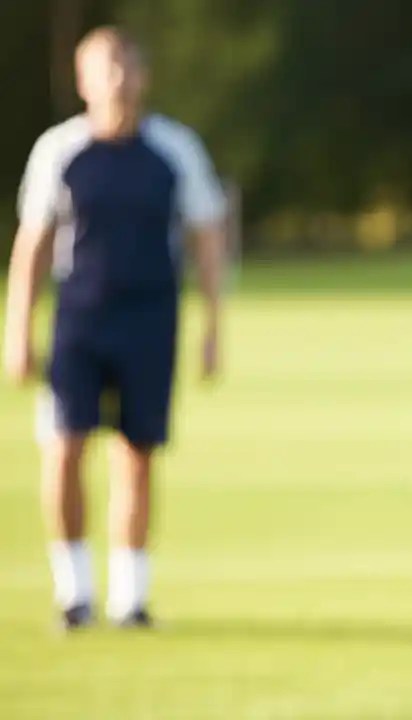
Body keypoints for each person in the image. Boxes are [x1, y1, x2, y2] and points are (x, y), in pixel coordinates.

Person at [2, 26, 226, 631]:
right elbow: (34, 246)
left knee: (137, 454)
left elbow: (207, 236)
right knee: (65, 447)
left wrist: (213, 325)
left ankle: (131, 597)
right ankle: (74, 592)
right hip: (80, 319)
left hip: (151, 319)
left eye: (128, 65)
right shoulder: (61, 151)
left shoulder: (174, 151)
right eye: (107, 67)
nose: (119, 79)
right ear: (84, 80)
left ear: (144, 75)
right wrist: (17, 329)